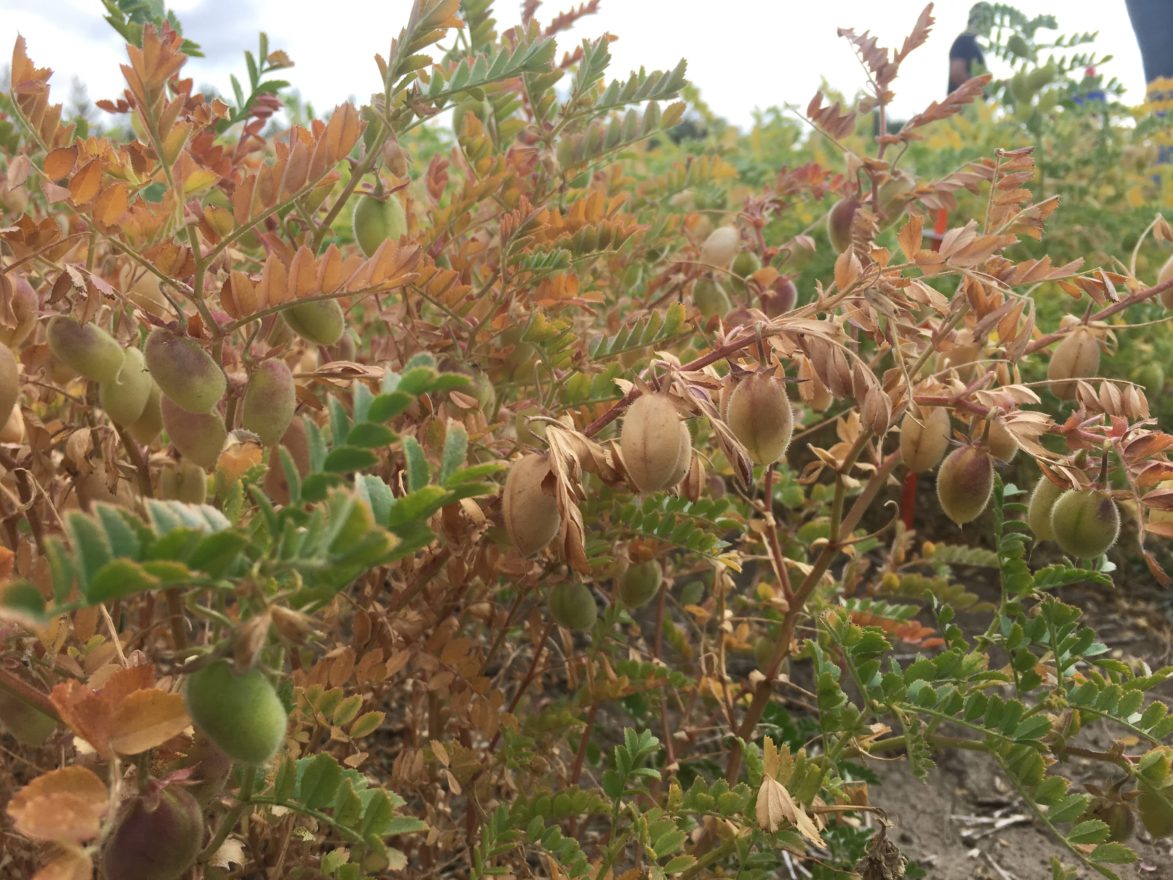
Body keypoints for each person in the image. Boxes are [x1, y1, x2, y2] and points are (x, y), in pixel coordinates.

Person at [948, 4, 991, 95]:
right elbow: (956, 72)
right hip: (961, 106)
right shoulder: (964, 40)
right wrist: (979, 93)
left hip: (969, 105)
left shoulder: (972, 43)